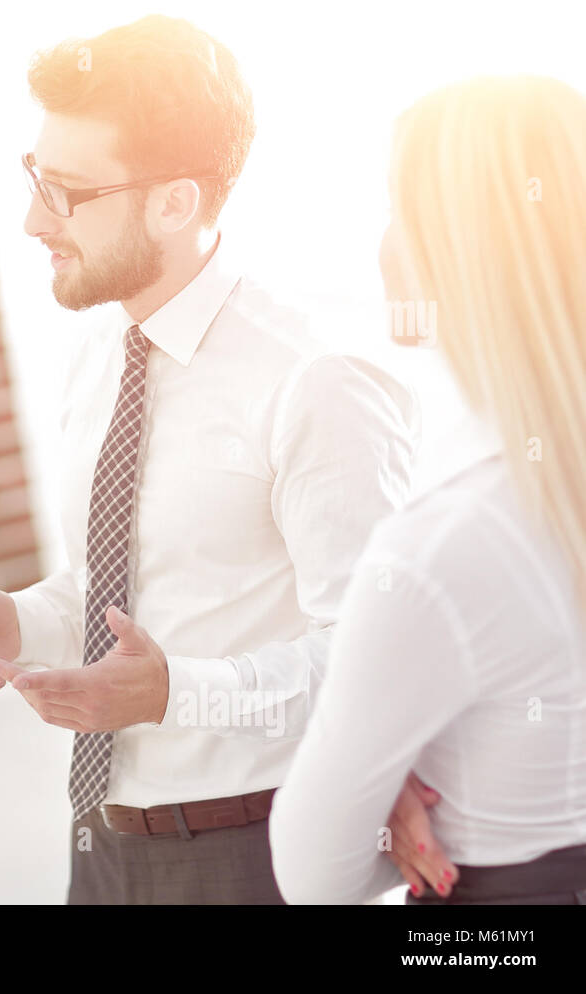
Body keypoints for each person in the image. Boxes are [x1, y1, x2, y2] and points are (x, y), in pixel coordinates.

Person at [0, 13, 421, 905]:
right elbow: (117, 588)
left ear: (175, 201)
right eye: (37, 176)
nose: (35, 218)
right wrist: (26, 623)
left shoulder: (316, 379)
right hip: (101, 845)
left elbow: (377, 660)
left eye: (69, 191)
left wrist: (172, 695)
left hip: (259, 852)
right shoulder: (104, 349)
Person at [269, 75, 586, 905]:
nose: (384, 239)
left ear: (452, 252)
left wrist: (382, 790)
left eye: (397, 208)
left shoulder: (440, 551)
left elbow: (313, 875)